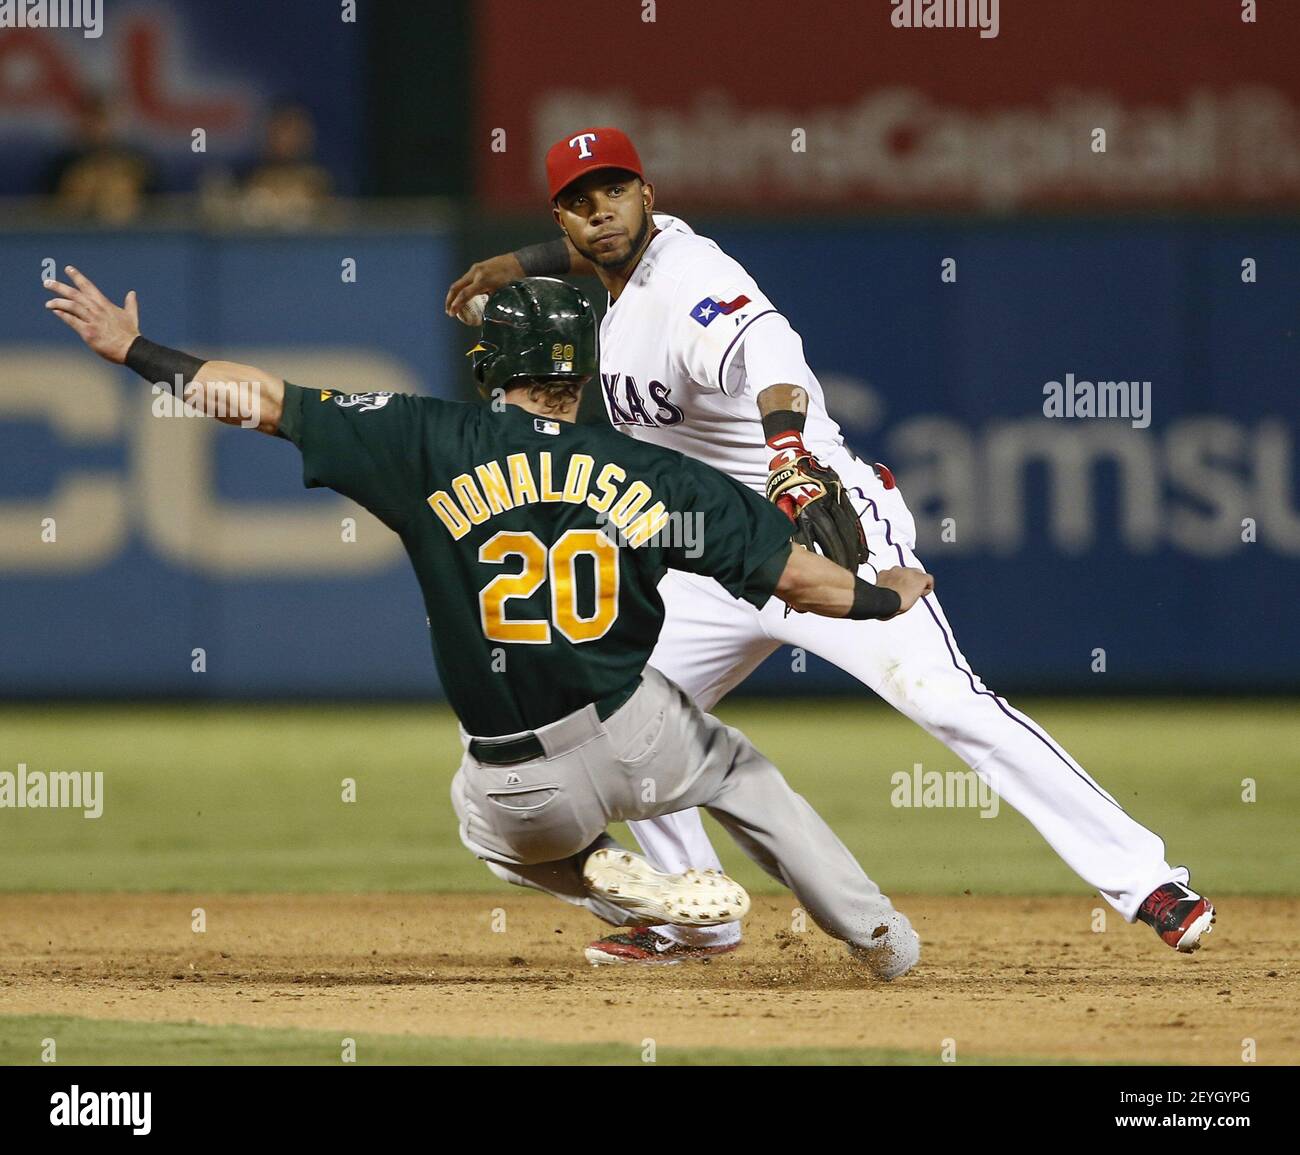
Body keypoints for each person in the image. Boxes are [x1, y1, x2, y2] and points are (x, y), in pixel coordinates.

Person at [444, 126, 1216, 963]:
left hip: (812, 524)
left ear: (649, 195)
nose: (604, 212)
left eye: (617, 191)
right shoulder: (617, 278)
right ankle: (694, 919)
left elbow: (772, 352)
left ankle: (1148, 880)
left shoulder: (694, 277)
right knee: (616, 706)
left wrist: (786, 448)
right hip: (712, 562)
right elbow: (595, 251)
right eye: (582, 202)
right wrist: (515, 266)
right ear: (563, 219)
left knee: (948, 701)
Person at [43, 267, 936, 979]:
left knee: (486, 830)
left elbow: (263, 401)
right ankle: (879, 937)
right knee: (743, 776)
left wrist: (136, 351)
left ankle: (603, 879)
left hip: (514, 775)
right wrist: (885, 595)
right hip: (635, 733)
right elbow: (801, 581)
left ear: (489, 371)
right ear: (582, 371)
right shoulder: (663, 479)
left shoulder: (421, 440)